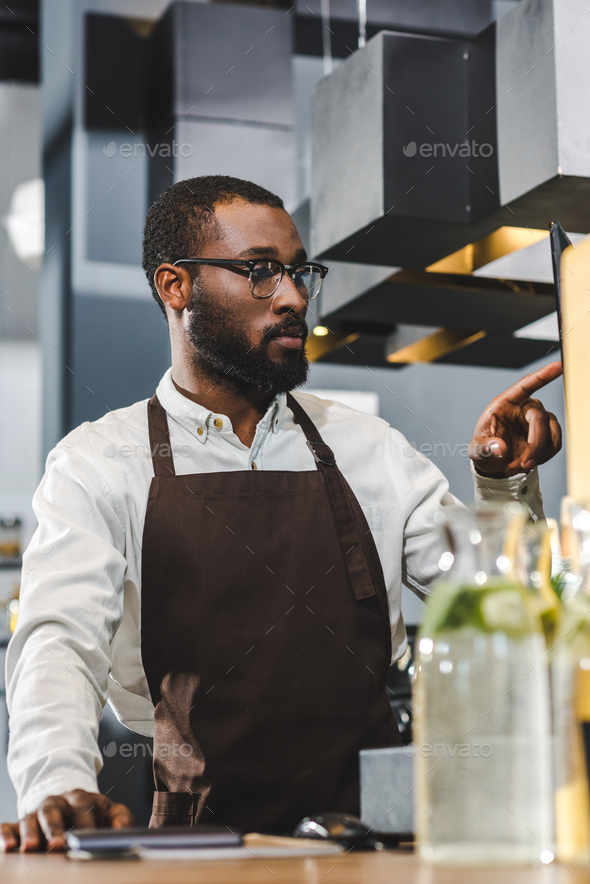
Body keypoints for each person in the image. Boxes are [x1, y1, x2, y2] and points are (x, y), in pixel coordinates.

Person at [1, 176, 562, 852]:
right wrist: (57, 784)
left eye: (299, 272)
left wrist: (503, 484)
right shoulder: (99, 463)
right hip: (199, 852)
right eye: (260, 272)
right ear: (174, 286)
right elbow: (58, 642)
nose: (294, 297)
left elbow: (498, 604)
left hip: (377, 843)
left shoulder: (369, 449)